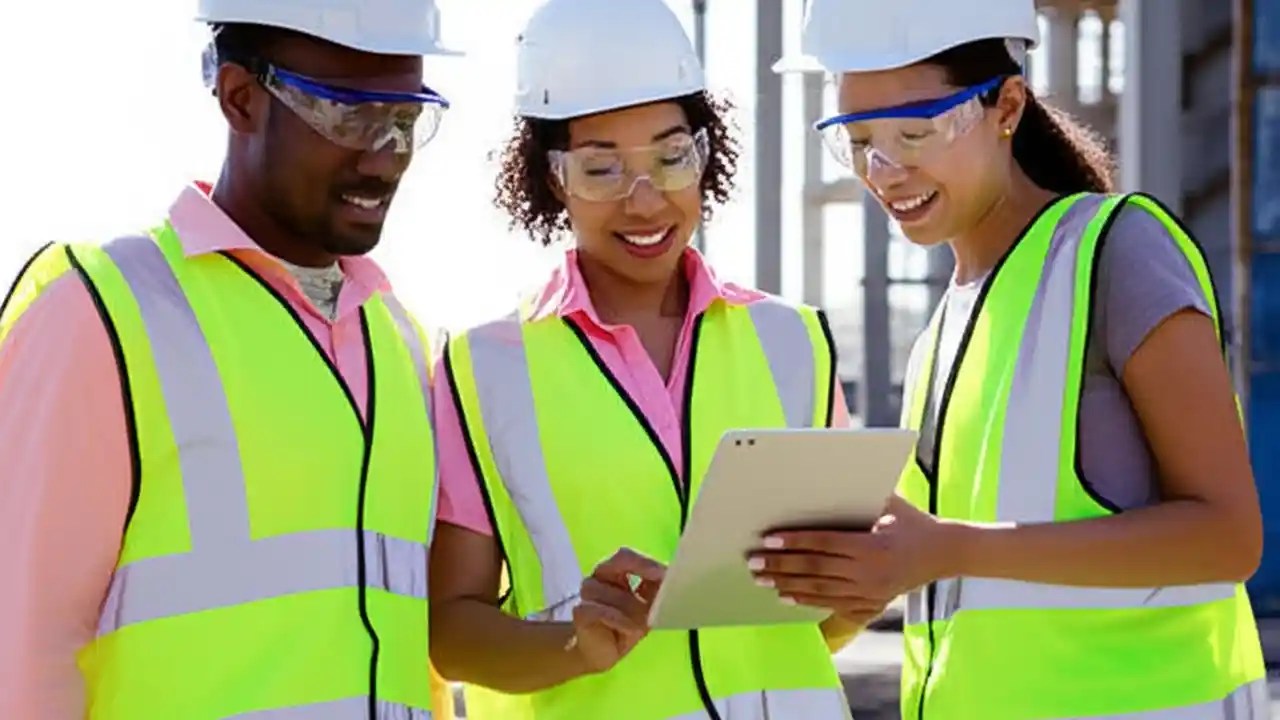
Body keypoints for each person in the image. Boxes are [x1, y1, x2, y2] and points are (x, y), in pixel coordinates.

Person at [753, 0, 1271, 717]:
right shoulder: (947, 327)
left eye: (914, 132)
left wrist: (948, 549)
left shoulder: (1116, 251)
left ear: (1007, 106)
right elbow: (954, 580)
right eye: (858, 141)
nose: (884, 172)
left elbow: (1227, 537)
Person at [0, 1, 460, 717]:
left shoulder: (401, 343)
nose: (384, 156)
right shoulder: (102, 314)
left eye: (405, 121)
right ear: (241, 97)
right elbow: (21, 651)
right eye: (350, 118)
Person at [427, 0, 866, 718]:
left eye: (671, 158)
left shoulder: (794, 341)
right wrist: (571, 645)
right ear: (551, 178)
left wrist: (860, 591)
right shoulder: (484, 367)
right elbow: (450, 629)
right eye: (601, 170)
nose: (644, 201)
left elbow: (819, 621)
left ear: (705, 153)